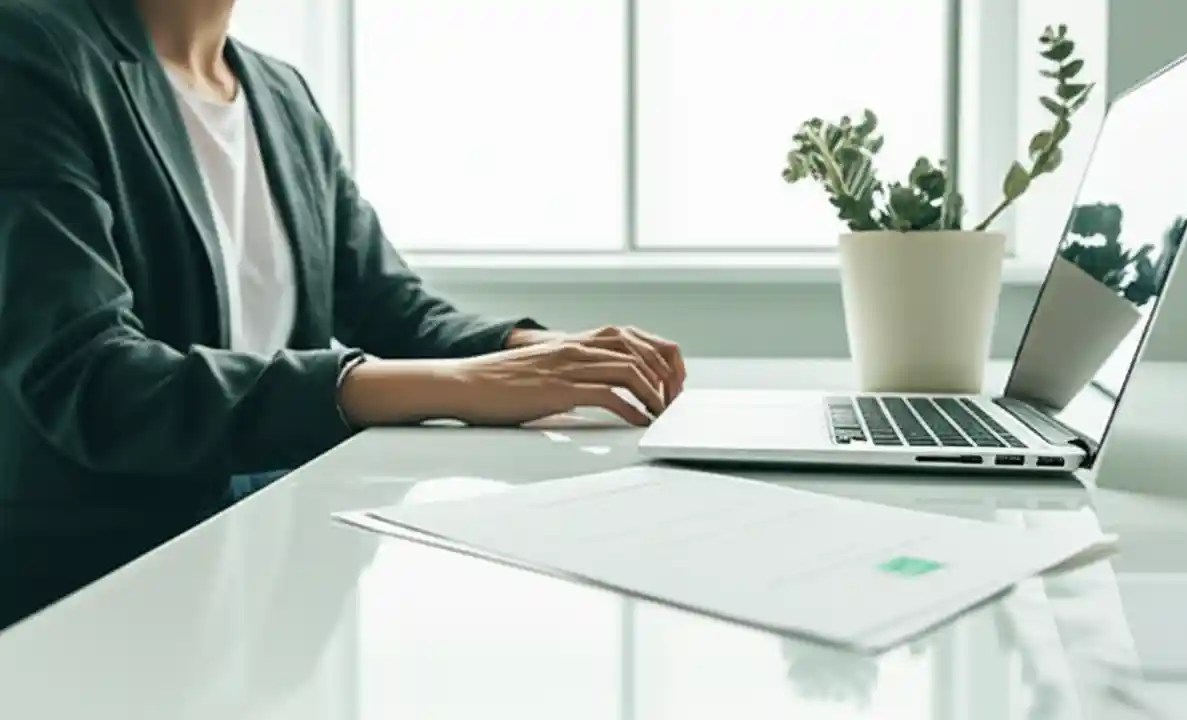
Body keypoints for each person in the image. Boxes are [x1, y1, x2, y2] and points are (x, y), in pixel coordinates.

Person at [0, 0, 685, 629]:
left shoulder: (279, 92)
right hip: (98, 592)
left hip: (273, 564)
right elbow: (90, 378)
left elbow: (391, 309)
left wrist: (536, 350)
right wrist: (447, 386)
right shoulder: (31, 51)